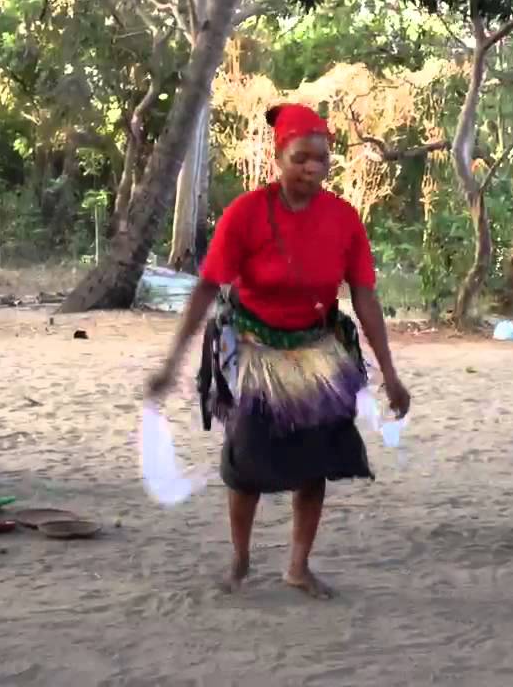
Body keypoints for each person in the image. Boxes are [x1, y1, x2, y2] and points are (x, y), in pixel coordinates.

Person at [147, 103, 411, 599]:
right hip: (254, 346)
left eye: (321, 159)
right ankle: (240, 559)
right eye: (300, 158)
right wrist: (172, 362)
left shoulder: (343, 219)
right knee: (247, 461)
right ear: (278, 159)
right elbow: (207, 288)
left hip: (316, 348)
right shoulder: (246, 214)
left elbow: (365, 297)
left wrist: (391, 375)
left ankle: (298, 567)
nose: (312, 168)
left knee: (314, 464)